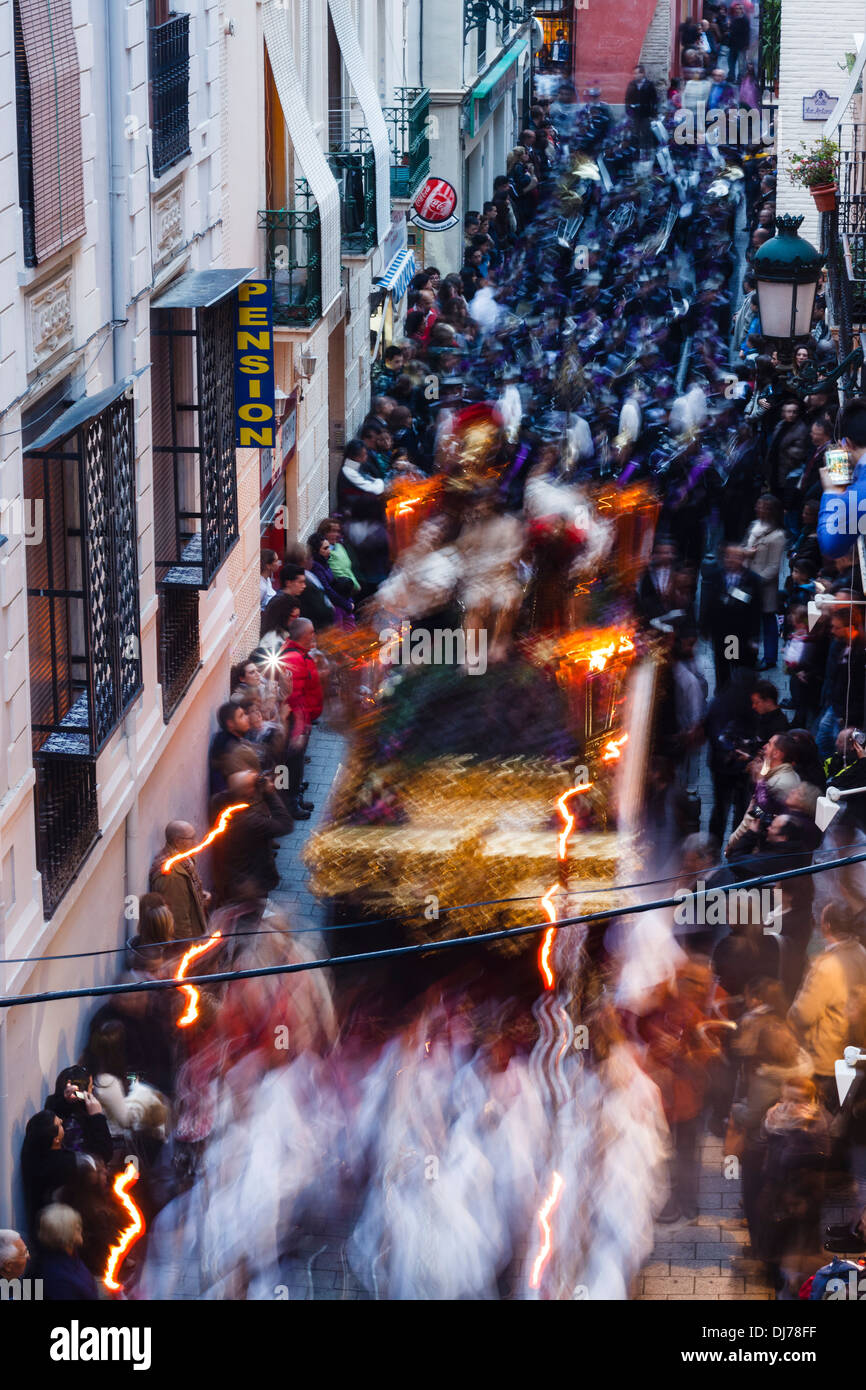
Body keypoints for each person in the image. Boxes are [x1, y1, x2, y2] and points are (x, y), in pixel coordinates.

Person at [789, 901, 866, 1109]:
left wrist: (789, 1014)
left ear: (827, 926)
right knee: (842, 1113)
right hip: (853, 1051)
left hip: (827, 1058)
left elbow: (804, 1014)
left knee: (820, 1114)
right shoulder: (861, 952)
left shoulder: (827, 966)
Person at [210, 767, 293, 906]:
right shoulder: (250, 821)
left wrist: (248, 787)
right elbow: (285, 824)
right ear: (249, 791)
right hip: (250, 883)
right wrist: (269, 794)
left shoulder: (218, 803)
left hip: (230, 876)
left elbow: (234, 792)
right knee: (252, 917)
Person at [699, 544, 762, 690]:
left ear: (743, 559)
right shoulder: (716, 576)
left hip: (740, 632)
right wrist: (704, 626)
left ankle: (737, 694)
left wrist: (755, 637)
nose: (732, 560)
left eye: (737, 557)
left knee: (738, 665)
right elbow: (707, 602)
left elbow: (756, 610)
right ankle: (723, 693)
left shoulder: (752, 579)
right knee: (723, 665)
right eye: (729, 556)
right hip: (721, 631)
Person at [280, 617, 324, 820]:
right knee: (291, 765)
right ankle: (290, 805)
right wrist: (299, 728)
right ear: (303, 635)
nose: (314, 635)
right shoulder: (294, 658)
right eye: (311, 632)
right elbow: (294, 697)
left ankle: (295, 797)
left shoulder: (299, 655)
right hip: (295, 723)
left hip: (302, 720)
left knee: (296, 764)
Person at [742, 494, 786, 670]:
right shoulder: (753, 526)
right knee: (750, 622)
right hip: (748, 583)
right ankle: (749, 655)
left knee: (767, 621)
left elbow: (774, 567)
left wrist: (755, 582)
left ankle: (769, 658)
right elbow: (745, 547)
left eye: (764, 507)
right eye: (758, 505)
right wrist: (747, 554)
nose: (759, 509)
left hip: (764, 588)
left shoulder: (778, 536)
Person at [148, 821, 210, 941]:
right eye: (191, 838)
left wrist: (200, 895)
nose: (196, 842)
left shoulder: (184, 859)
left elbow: (186, 891)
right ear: (177, 841)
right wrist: (187, 949)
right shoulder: (172, 876)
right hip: (188, 942)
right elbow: (178, 922)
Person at [29, 1204, 98, 1300]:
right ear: (65, 1234)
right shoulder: (58, 1280)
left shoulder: (71, 1255)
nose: (80, 1228)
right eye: (76, 1227)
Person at [207, 700, 259, 798]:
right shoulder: (234, 752)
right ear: (231, 724)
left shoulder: (231, 740)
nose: (247, 718)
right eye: (241, 716)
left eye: (245, 714)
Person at [261, 562, 308, 640]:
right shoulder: (284, 603)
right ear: (288, 583)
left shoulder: (279, 599)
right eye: (300, 582)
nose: (304, 586)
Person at [624, 63, 658, 153]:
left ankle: (647, 151)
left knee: (646, 133)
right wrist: (628, 111)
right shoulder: (631, 84)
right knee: (635, 133)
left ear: (642, 74)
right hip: (635, 114)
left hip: (645, 113)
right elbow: (627, 99)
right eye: (634, 73)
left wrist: (653, 114)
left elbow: (654, 100)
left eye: (637, 73)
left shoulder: (649, 85)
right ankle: (636, 151)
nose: (635, 75)